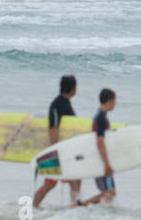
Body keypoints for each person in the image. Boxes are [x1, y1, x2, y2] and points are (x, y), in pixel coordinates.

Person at [32, 75, 80, 209]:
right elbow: (53, 128)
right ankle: (33, 207)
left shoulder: (65, 103)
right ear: (72, 88)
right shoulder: (56, 104)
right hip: (58, 152)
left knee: (74, 179)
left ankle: (74, 208)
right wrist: (55, 151)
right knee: (51, 183)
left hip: (65, 151)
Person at [74, 88, 118, 207]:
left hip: (101, 159)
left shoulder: (100, 116)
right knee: (108, 193)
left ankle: (84, 207)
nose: (115, 104)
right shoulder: (101, 118)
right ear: (109, 101)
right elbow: (99, 141)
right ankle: (80, 206)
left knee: (110, 193)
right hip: (100, 160)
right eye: (114, 101)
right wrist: (106, 164)